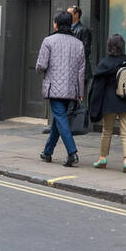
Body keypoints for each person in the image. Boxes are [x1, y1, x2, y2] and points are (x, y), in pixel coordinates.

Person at [36, 10, 86, 167]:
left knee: (61, 119)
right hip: (71, 88)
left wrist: (39, 69)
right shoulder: (78, 44)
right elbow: (81, 71)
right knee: (59, 120)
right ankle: (47, 152)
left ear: (56, 24)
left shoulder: (48, 41)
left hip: (55, 88)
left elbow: (41, 65)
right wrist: (80, 92)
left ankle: (72, 152)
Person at [89, 34, 126, 172]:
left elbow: (98, 87)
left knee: (107, 130)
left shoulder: (105, 63)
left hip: (110, 102)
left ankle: (103, 158)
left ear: (109, 46)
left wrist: (94, 105)